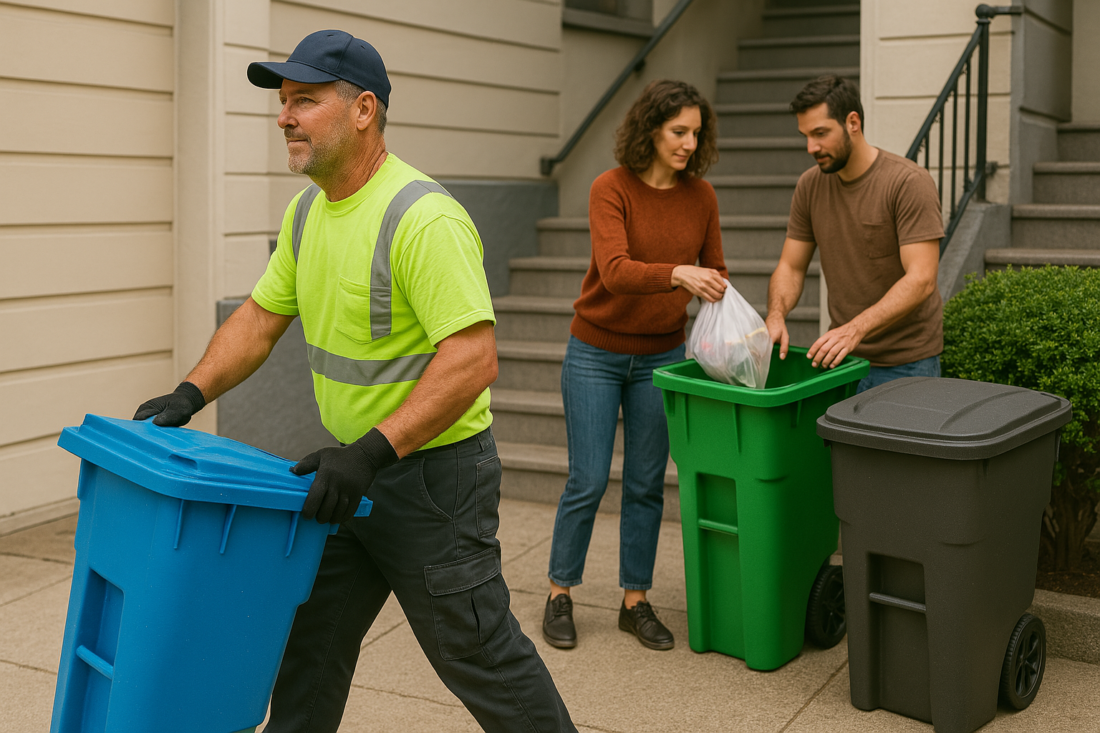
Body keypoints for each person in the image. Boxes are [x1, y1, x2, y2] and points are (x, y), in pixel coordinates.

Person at [133, 30, 575, 733]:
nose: (284, 117)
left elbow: (472, 359)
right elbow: (258, 318)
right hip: (350, 471)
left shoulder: (421, 217)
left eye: (303, 100)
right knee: (308, 645)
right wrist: (189, 393)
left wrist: (370, 451)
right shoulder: (308, 212)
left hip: (433, 481)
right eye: (283, 102)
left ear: (363, 109)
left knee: (478, 653)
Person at [541, 80, 728, 652]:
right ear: (650, 129)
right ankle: (559, 592)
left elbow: (714, 270)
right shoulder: (610, 188)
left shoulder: (702, 197)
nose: (689, 144)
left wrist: (734, 315)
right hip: (595, 352)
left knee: (647, 484)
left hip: (663, 356)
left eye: (696, 133)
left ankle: (635, 601)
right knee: (588, 479)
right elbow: (617, 270)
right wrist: (677, 273)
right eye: (679, 132)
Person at [765, 74, 944, 393]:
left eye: (820, 133)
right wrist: (776, 315)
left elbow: (922, 279)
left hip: (906, 365)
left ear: (852, 122)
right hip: (843, 361)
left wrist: (855, 329)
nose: (811, 147)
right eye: (805, 135)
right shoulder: (810, 185)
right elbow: (791, 266)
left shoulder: (907, 183)